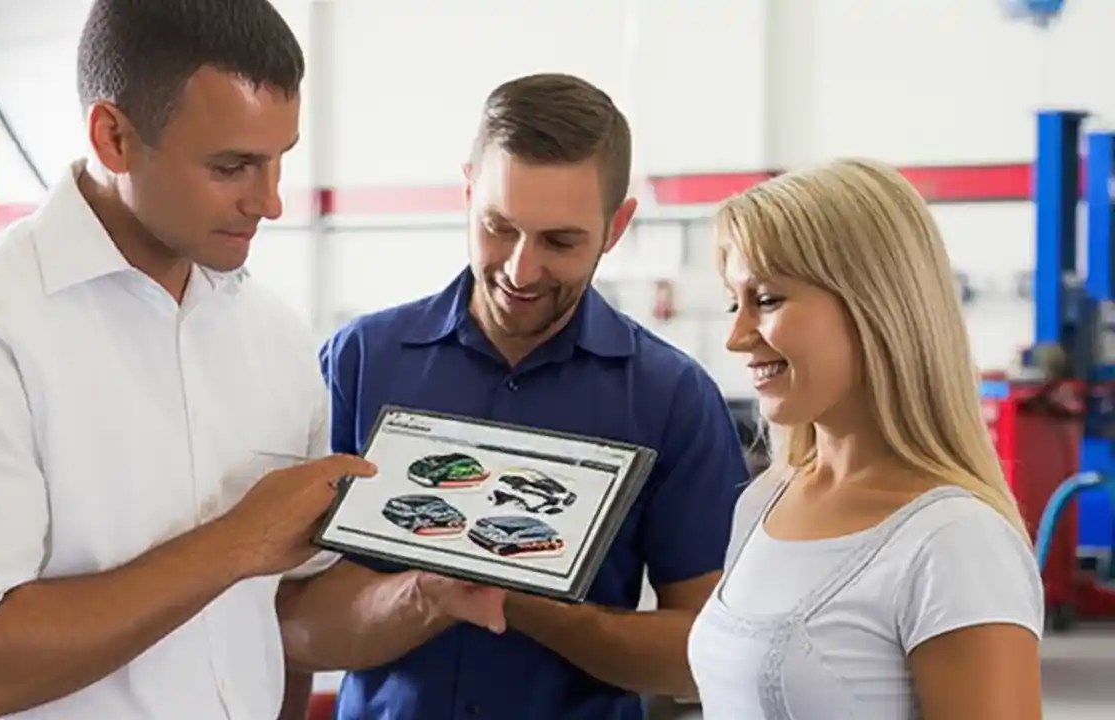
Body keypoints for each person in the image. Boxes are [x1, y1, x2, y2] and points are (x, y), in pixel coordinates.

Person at [0, 2, 498, 718]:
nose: (269, 201)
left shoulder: (273, 335)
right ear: (114, 138)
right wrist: (235, 542)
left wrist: (425, 593)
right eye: (232, 166)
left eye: (279, 160)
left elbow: (288, 619)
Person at [299, 72, 750, 720]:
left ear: (616, 226)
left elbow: (702, 655)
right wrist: (430, 592)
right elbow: (293, 626)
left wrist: (518, 599)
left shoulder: (670, 398)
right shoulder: (361, 361)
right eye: (498, 227)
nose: (519, 269)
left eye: (560, 242)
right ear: (466, 192)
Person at [688, 158, 1045, 719]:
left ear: (873, 305)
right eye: (736, 302)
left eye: (768, 299)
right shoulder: (764, 503)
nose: (736, 337)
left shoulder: (955, 543)